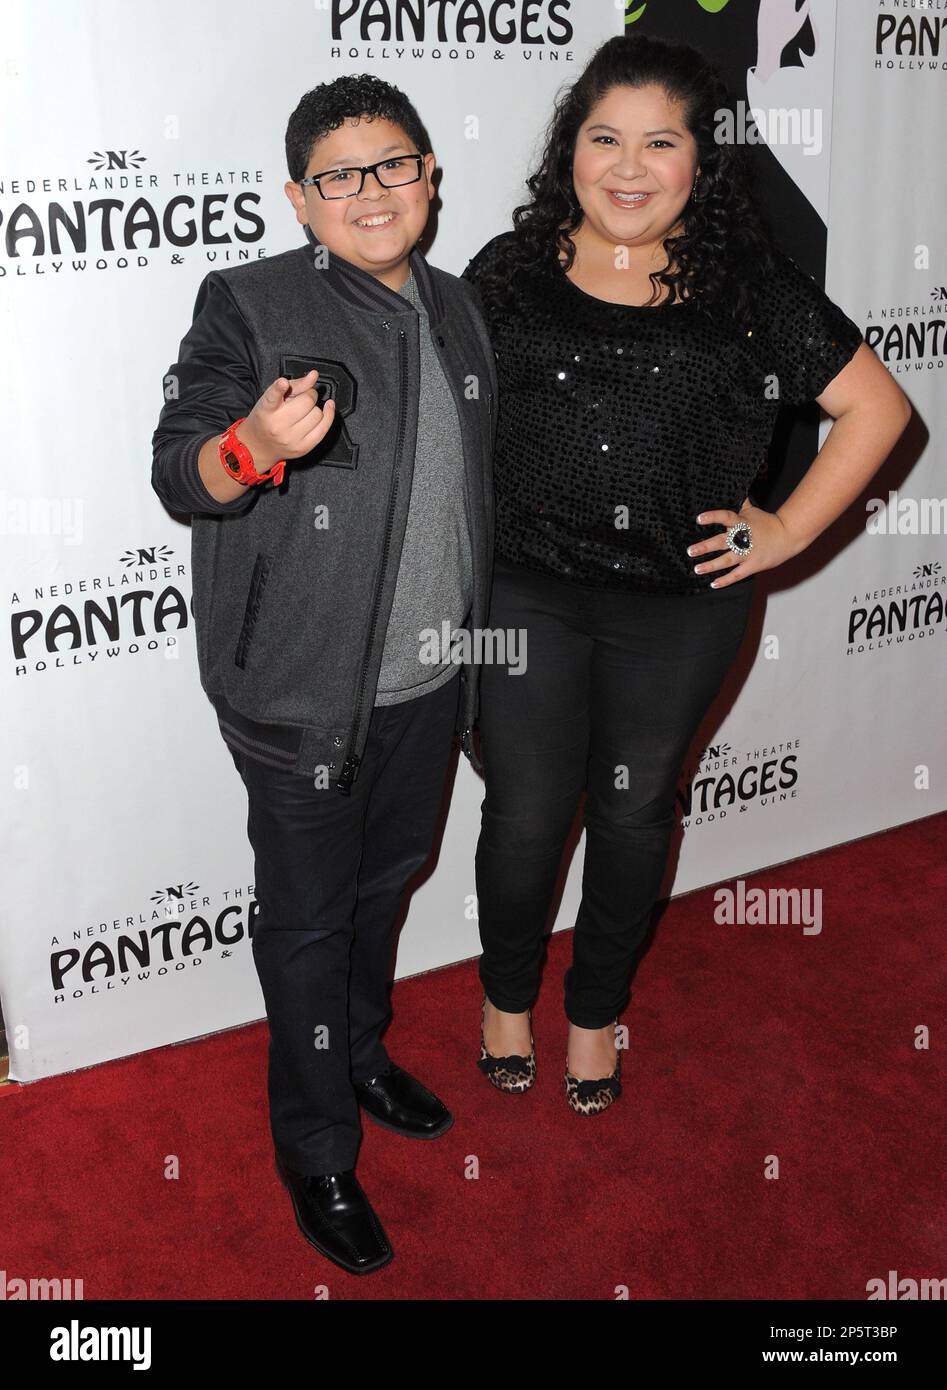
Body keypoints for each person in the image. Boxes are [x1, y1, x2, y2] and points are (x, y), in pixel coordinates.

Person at [461, 33, 911, 1116]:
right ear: (569, 149)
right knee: (524, 812)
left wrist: (789, 528)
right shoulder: (507, 272)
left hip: (678, 606)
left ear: (699, 161)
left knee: (627, 815)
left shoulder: (748, 287)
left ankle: (591, 1013)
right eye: (602, 136)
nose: (626, 165)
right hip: (524, 591)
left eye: (658, 142)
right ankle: (505, 1001)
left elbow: (879, 410)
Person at [151, 74, 497, 1274]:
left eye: (392, 164)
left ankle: (356, 1051)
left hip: (424, 685)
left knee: (384, 885)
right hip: (298, 695)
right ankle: (316, 1151)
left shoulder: (460, 309)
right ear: (300, 197)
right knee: (305, 923)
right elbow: (178, 467)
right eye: (338, 175)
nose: (370, 192)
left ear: (430, 179)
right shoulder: (247, 303)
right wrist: (251, 446)